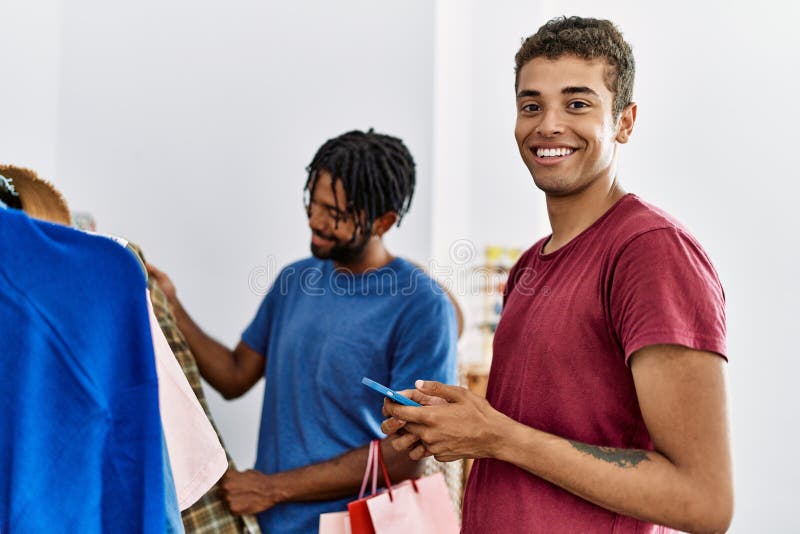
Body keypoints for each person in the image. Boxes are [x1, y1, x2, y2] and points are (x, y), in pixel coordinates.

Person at [381, 16, 732, 534]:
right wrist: (457, 423)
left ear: (625, 122)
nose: (547, 124)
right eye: (531, 106)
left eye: (577, 104)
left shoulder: (650, 252)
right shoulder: (530, 265)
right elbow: (542, 428)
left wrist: (497, 436)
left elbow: (701, 500)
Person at [148, 128, 457, 533]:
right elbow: (235, 375)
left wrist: (272, 488)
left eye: (335, 213)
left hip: (356, 525)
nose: (315, 220)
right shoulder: (294, 281)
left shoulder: (422, 307)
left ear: (383, 222)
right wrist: (173, 307)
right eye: (314, 202)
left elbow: (406, 455)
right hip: (271, 524)